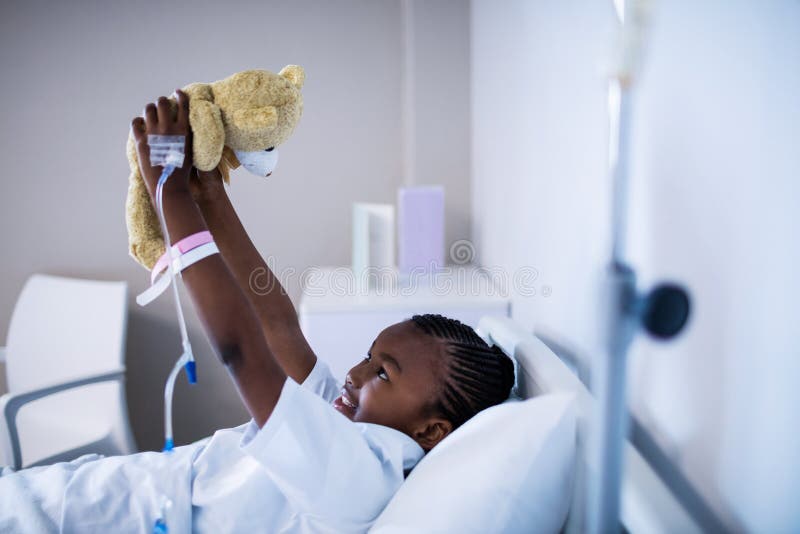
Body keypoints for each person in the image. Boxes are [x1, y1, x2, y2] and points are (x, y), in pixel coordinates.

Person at [0, 91, 515, 533]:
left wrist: (169, 191)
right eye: (368, 356)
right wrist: (209, 194)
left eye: (382, 372)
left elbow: (242, 350)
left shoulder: (356, 475)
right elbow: (276, 324)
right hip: (101, 492)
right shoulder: (344, 432)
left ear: (431, 432)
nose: (356, 373)